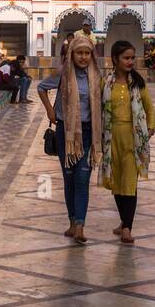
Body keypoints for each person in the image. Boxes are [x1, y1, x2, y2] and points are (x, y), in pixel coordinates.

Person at [38, 33, 105, 244]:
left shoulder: (97, 76)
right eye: (79, 53)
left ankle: (80, 225)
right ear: (72, 55)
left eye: (87, 53)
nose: (83, 57)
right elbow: (41, 88)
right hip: (65, 133)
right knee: (69, 179)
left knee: (82, 179)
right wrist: (50, 111)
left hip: (87, 133)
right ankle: (71, 222)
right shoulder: (64, 74)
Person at [101, 40, 155, 244]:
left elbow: (149, 107)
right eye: (126, 58)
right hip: (111, 137)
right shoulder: (106, 83)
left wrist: (150, 126)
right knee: (116, 181)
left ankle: (127, 227)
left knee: (130, 182)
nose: (130, 61)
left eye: (132, 58)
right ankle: (124, 219)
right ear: (115, 59)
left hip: (133, 138)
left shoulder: (138, 83)